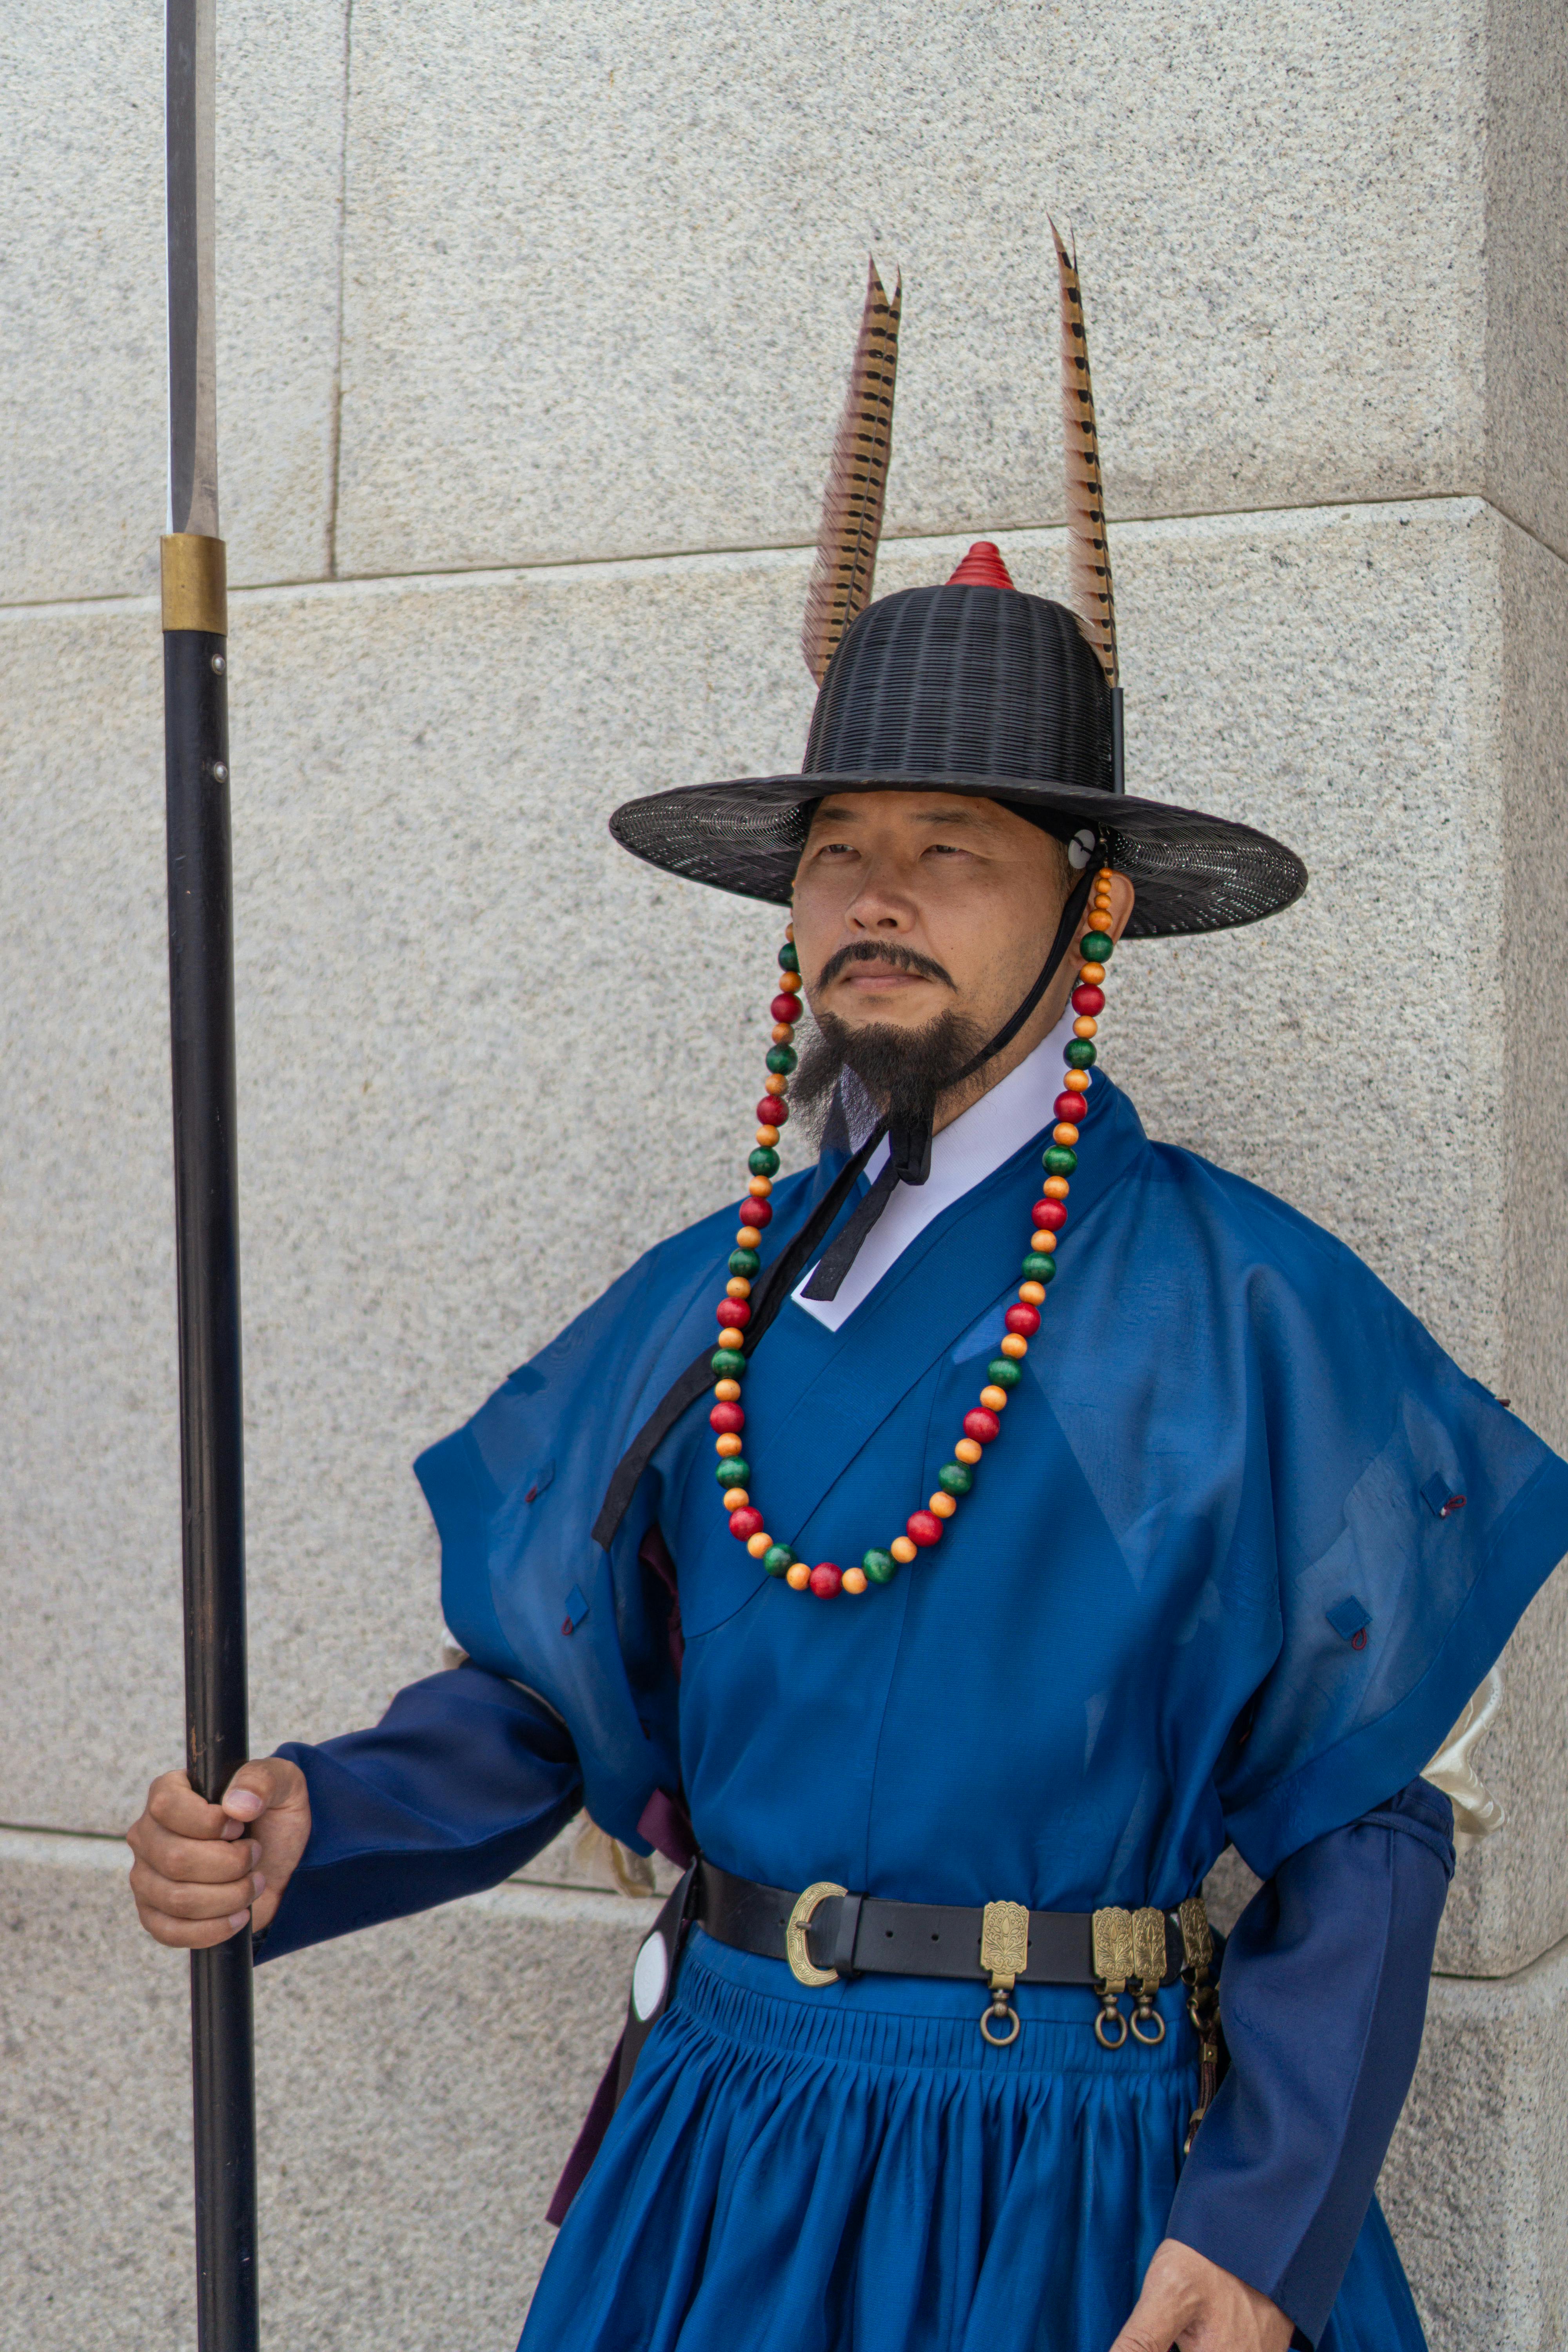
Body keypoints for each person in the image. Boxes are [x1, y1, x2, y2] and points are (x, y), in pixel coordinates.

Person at [126, 253, 1568, 2352]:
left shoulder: (1248, 1311)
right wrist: (314, 1823)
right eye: (837, 850)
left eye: (951, 849)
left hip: (1070, 2166)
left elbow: (1364, 1820)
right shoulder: (701, 1306)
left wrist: (1268, 2223)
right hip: (724, 2147)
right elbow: (547, 1697)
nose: (874, 895)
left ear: (1094, 909)